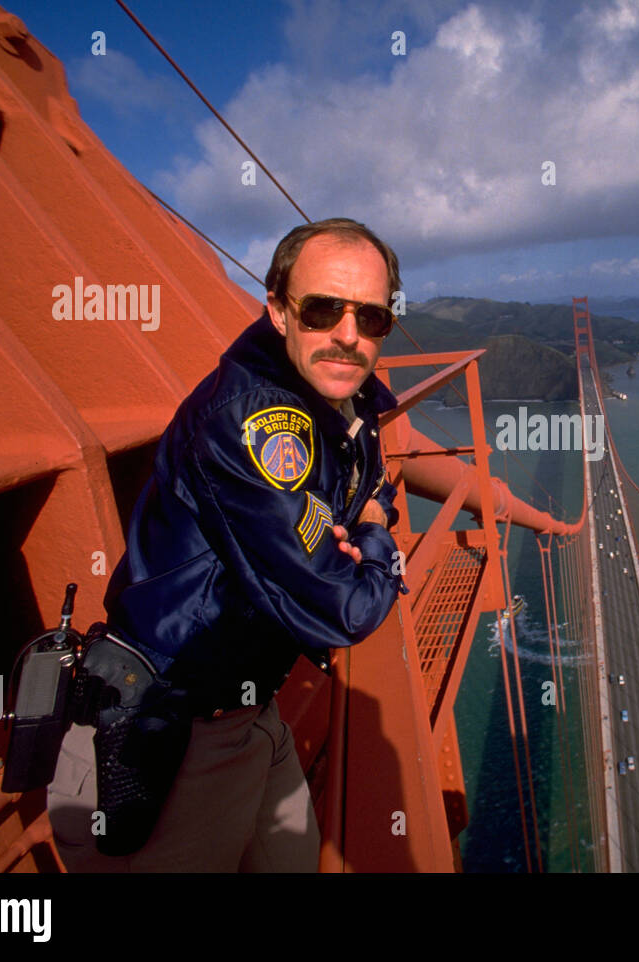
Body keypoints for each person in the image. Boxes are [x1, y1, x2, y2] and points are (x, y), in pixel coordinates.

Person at [46, 217, 406, 871]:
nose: (348, 336)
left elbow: (370, 486)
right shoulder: (253, 422)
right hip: (170, 735)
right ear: (278, 308)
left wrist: (350, 537)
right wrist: (374, 537)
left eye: (372, 318)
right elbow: (342, 608)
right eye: (323, 309)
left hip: (250, 709)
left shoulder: (349, 403)